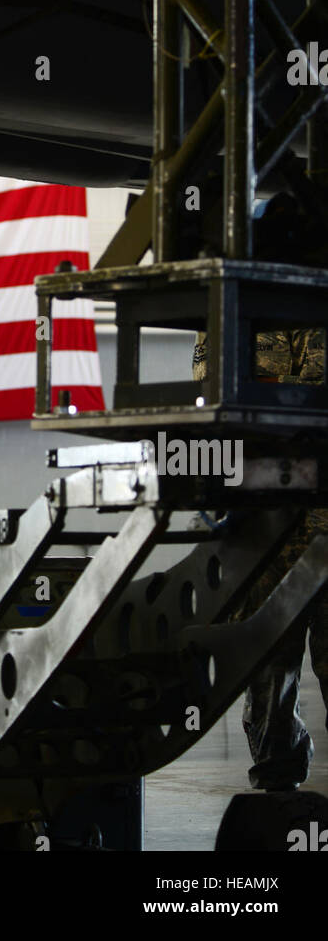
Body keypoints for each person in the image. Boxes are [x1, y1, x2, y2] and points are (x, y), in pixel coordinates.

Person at [192, 326, 328, 790]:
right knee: (268, 675)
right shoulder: (237, 309)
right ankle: (275, 784)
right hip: (265, 532)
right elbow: (213, 389)